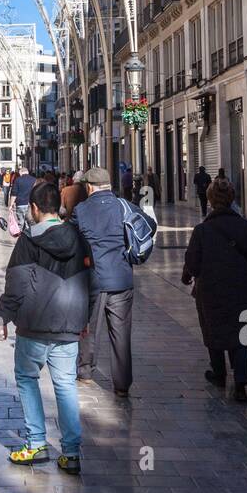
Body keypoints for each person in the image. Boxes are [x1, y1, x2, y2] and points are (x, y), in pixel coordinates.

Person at [0, 181, 91, 474]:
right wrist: (84, 318)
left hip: (34, 325)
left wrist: (3, 316)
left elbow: (16, 284)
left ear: (35, 209)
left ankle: (36, 443)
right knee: (65, 385)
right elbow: (91, 279)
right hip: (68, 326)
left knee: (27, 379)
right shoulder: (78, 237)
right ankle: (71, 453)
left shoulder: (28, 241)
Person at [181, 179, 247, 403]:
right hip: (242, 287)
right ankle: (241, 381)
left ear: (210, 200)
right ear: (232, 198)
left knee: (213, 329)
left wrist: (188, 275)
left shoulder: (203, 230)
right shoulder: (244, 226)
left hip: (212, 289)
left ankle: (219, 373)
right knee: (242, 333)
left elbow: (193, 263)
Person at [72, 167, 138, 396]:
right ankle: (122, 384)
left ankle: (86, 371)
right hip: (122, 277)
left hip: (93, 278)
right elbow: (147, 224)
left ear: (89, 187)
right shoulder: (124, 206)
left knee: (89, 326)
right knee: (121, 332)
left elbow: (72, 242)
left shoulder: (80, 210)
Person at [9, 167, 37, 233]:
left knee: (20, 223)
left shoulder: (18, 180)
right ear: (28, 172)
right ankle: (30, 238)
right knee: (30, 223)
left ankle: (21, 238)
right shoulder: (34, 180)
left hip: (20, 204)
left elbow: (14, 193)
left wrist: (11, 204)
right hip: (30, 204)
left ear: (21, 172)